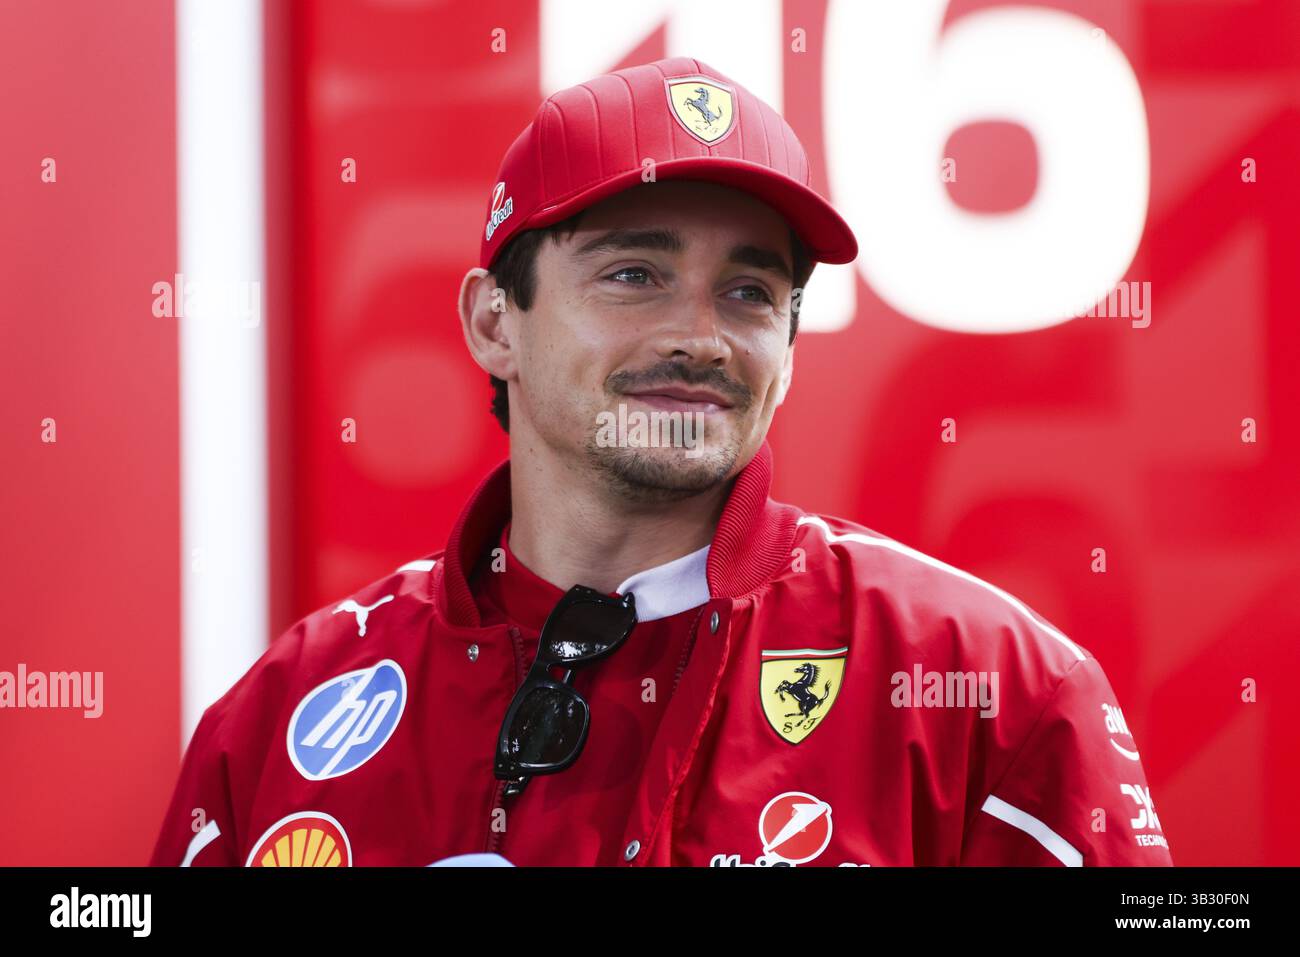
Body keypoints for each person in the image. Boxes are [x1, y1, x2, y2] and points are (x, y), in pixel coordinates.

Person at [151, 56, 1171, 867]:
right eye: (633, 274)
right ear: (494, 324)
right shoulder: (282, 715)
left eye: (748, 292)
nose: (700, 336)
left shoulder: (990, 686)